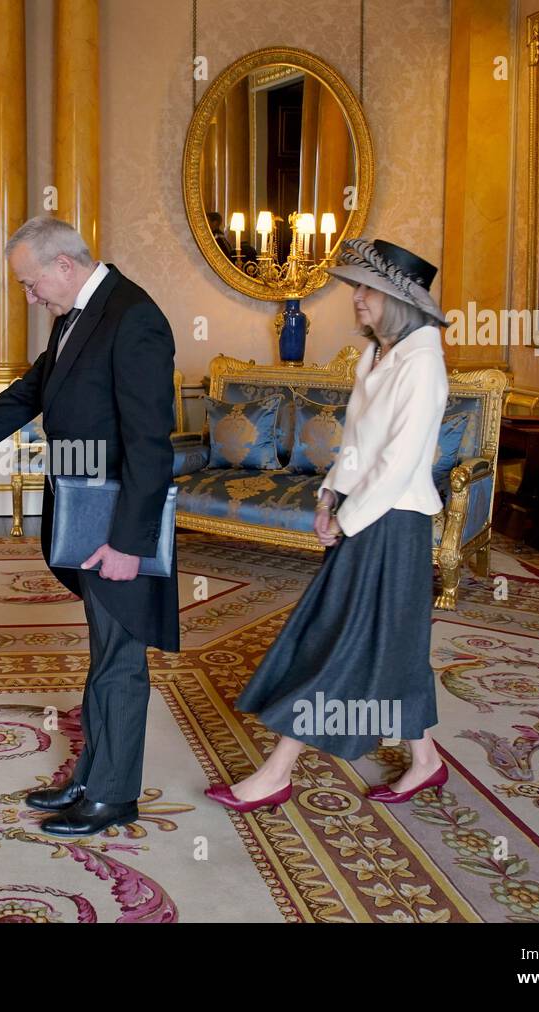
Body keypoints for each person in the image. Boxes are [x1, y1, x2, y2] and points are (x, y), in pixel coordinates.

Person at [0, 216, 178, 836]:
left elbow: (151, 443)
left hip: (117, 524)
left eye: (31, 283)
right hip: (83, 514)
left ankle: (114, 796)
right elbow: (27, 393)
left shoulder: (135, 318)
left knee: (120, 658)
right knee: (103, 654)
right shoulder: (76, 315)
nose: (29, 296)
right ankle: (94, 774)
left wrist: (129, 545)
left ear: (64, 266)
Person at [206, 238, 451, 814]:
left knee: (337, 641)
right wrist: (328, 494)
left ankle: (276, 772)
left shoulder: (423, 364)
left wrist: (347, 518)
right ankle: (426, 761)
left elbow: (397, 463)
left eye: (365, 289)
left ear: (395, 298)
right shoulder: (378, 354)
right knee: (392, 644)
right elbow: (358, 444)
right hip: (365, 512)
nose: (356, 299)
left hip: (394, 524)